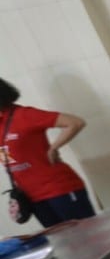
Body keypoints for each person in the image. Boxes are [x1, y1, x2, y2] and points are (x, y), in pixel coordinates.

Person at [0, 77, 96, 227]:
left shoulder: (24, 115)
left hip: (59, 189)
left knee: (90, 238)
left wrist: (54, 147)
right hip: (32, 197)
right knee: (64, 245)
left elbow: (75, 123)